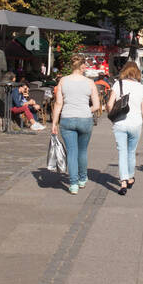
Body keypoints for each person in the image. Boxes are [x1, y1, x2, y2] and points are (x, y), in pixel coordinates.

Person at [51, 58, 101, 195]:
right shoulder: (90, 83)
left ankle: (73, 184)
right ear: (82, 67)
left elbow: (58, 104)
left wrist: (54, 122)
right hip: (85, 120)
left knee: (72, 152)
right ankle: (82, 179)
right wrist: (85, 110)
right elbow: (97, 106)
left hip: (67, 119)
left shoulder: (63, 81)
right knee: (83, 151)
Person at [107, 62, 143, 195]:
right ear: (137, 72)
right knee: (131, 152)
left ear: (124, 71)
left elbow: (109, 104)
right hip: (135, 124)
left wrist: (113, 116)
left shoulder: (117, 84)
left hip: (120, 123)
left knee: (122, 152)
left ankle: (123, 182)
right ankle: (130, 177)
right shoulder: (141, 88)